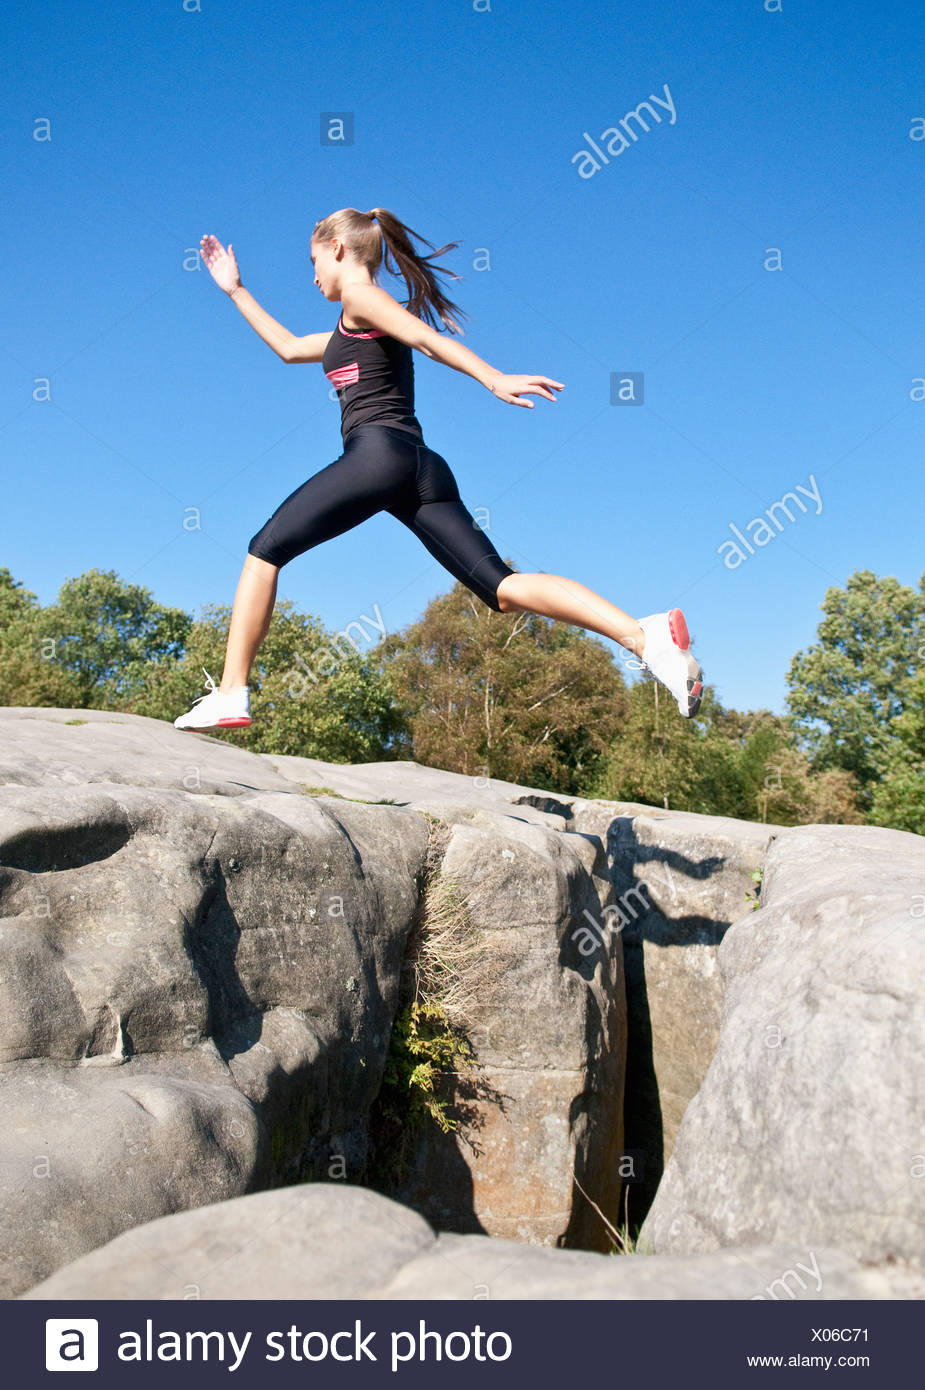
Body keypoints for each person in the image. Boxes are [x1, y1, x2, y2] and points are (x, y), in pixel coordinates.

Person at [174, 206, 703, 732]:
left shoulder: (362, 296)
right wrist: (235, 289)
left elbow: (426, 339)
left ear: (338, 249)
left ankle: (231, 692)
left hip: (377, 456)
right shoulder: (346, 327)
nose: (311, 275)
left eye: (313, 260)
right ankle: (643, 635)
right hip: (421, 469)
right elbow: (290, 348)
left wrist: (492, 377)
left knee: (263, 551)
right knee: (502, 589)